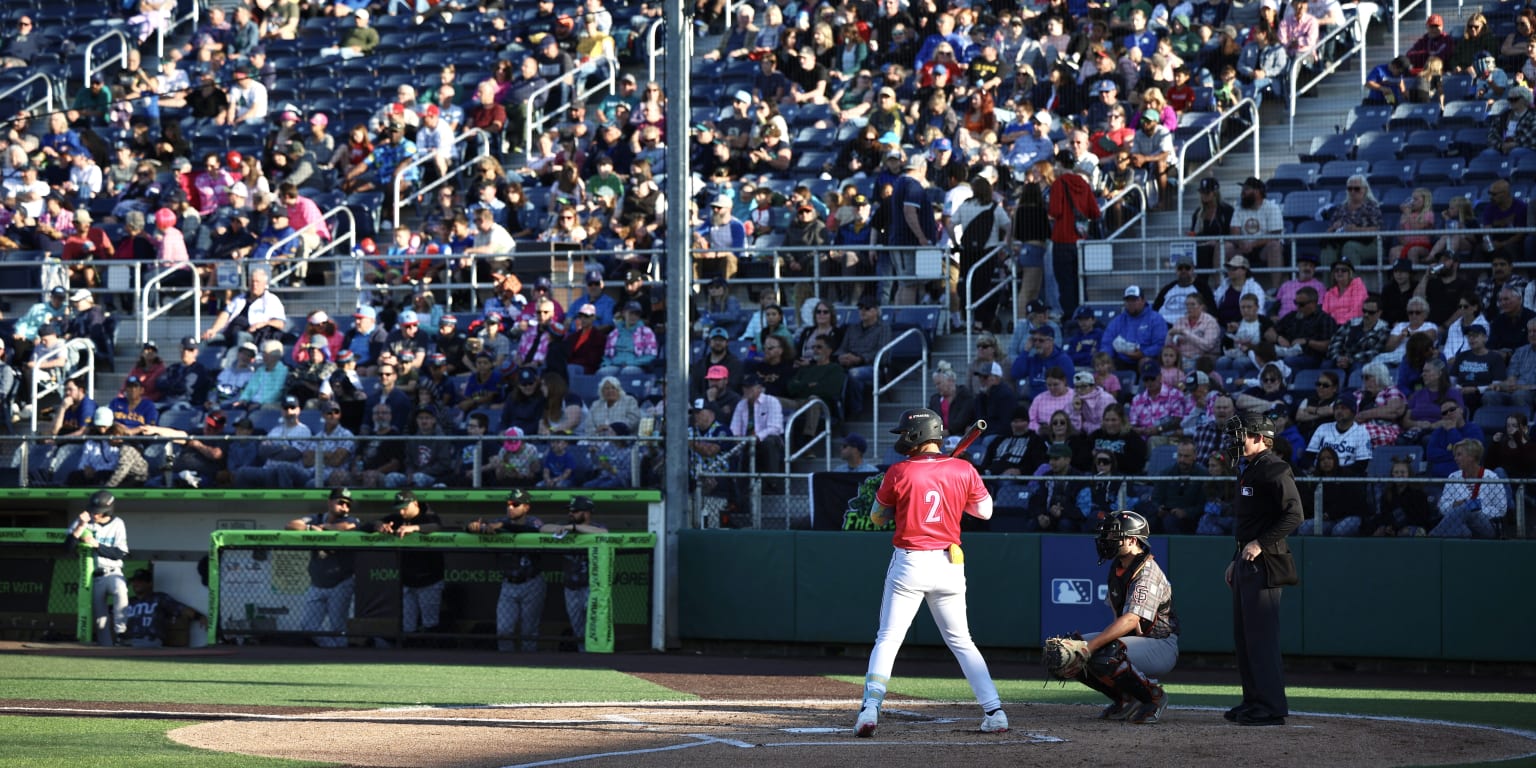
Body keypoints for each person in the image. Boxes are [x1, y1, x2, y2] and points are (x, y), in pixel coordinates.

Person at [855, 409, 1008, 738]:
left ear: (918, 434)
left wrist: (907, 501)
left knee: (888, 639)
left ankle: (870, 708)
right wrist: (957, 492)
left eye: (904, 433)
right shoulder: (963, 469)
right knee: (962, 642)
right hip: (949, 564)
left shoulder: (899, 471)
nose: (901, 438)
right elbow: (985, 512)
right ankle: (994, 711)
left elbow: (877, 517)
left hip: (910, 562)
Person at [1059, 512, 1178, 724]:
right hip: (1137, 642)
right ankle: (1125, 698)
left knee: (1104, 653)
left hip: (1161, 644)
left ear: (1132, 540)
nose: (1107, 539)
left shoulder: (1146, 571)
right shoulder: (1118, 567)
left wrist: (1091, 647)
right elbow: (1118, 618)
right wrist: (1085, 647)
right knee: (1065, 651)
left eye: (1114, 535)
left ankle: (1153, 697)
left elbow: (1131, 620)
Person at [1223, 413, 1303, 727]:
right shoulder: (1249, 468)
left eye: (1240, 435)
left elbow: (1294, 515)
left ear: (1259, 437)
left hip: (1266, 563)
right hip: (1246, 560)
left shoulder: (1275, 468)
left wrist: (1259, 543)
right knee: (1244, 637)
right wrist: (1236, 557)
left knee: (1261, 638)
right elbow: (1248, 525)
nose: (1234, 441)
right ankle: (1253, 701)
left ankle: (1271, 707)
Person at [469, 488, 547, 652]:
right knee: (504, 630)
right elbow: (469, 527)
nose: (510, 507)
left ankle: (530, 664)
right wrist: (474, 526)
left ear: (526, 507)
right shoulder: (499, 521)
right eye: (508, 504)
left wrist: (502, 526)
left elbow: (532, 531)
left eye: (515, 504)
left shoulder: (534, 522)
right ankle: (505, 663)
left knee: (529, 632)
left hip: (532, 581)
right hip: (509, 583)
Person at [284, 487, 359, 648]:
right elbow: (290, 525)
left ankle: (341, 655)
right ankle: (332, 650)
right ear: (329, 502)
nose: (345, 507)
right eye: (341, 503)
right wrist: (311, 529)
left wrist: (322, 529)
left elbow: (348, 527)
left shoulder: (351, 520)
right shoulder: (315, 518)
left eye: (348, 504)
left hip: (341, 582)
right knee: (308, 627)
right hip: (317, 583)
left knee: (338, 627)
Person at [369, 490, 445, 634]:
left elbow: (437, 526)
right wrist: (380, 525)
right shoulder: (397, 518)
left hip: (429, 580)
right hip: (407, 581)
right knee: (408, 626)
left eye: (405, 508)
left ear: (415, 504)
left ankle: (431, 647)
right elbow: (372, 523)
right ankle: (409, 647)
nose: (401, 512)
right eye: (399, 509)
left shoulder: (428, 516)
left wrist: (414, 528)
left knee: (430, 624)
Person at [541, 495, 607, 651]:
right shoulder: (565, 526)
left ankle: (598, 658)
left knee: (594, 626)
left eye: (575, 511)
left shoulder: (596, 527)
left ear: (587, 513)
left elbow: (604, 533)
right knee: (578, 630)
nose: (570, 513)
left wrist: (575, 528)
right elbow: (543, 528)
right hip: (570, 587)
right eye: (570, 510)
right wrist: (565, 528)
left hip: (592, 587)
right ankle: (583, 659)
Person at [67, 490, 130, 646]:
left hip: (112, 571)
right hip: (92, 576)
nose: (95, 514)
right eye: (93, 511)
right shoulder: (83, 521)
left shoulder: (118, 523)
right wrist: (80, 526)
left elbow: (120, 553)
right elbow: (67, 548)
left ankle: (121, 633)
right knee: (100, 619)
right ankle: (106, 648)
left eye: (99, 512)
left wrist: (97, 545)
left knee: (121, 590)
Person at [1430, 439, 1508, 538]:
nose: (1455, 459)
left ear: (1471, 456)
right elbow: (1442, 507)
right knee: (1463, 530)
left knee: (1465, 509)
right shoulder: (1453, 477)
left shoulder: (1491, 477)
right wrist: (1454, 505)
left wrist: (1475, 510)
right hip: (1460, 525)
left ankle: (1432, 537)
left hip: (1487, 525)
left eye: (1459, 455)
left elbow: (1501, 510)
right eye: (1455, 455)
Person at [120, 568, 204, 648]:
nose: (136, 584)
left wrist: (200, 617)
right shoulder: (127, 601)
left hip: (149, 641)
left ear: (150, 583)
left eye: (140, 581)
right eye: (134, 581)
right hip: (128, 641)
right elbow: (114, 614)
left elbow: (181, 608)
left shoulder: (159, 598)